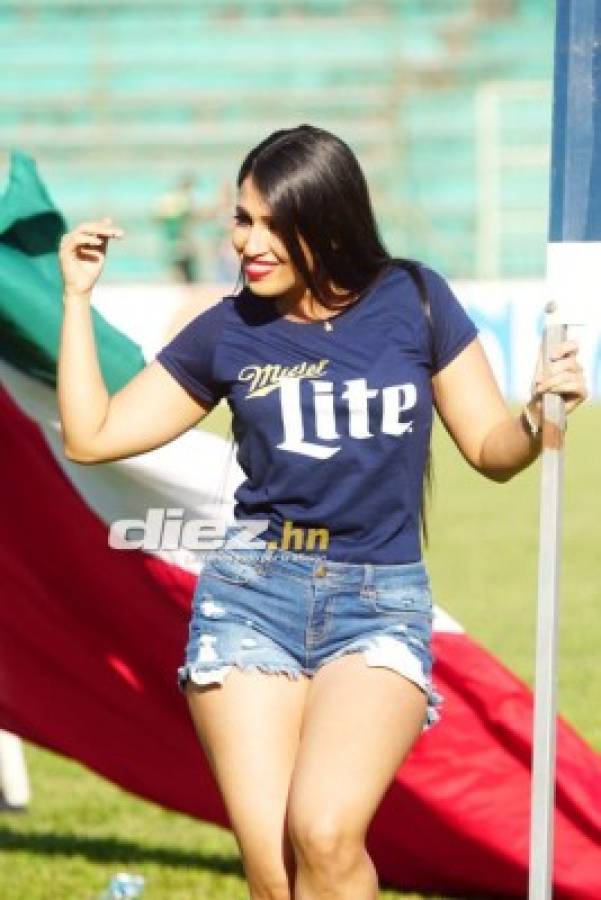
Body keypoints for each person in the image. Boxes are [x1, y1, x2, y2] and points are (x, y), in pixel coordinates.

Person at [57, 124, 587, 900]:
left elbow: (490, 450)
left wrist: (541, 414)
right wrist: (76, 298)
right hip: (249, 599)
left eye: (273, 222)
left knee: (326, 832)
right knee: (275, 877)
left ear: (326, 220)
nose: (249, 241)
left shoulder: (415, 299)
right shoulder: (227, 330)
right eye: (242, 218)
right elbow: (91, 435)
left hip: (379, 601)